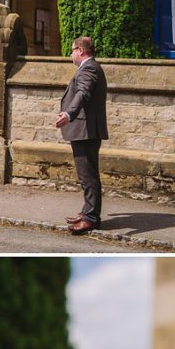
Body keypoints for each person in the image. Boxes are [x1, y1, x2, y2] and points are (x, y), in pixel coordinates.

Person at [55, 36, 108, 235]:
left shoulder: (89, 68)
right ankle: (87, 212)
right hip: (84, 130)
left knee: (88, 176)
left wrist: (69, 114)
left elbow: (83, 93)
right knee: (85, 174)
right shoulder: (89, 68)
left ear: (80, 50)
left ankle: (92, 218)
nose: (70, 55)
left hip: (85, 131)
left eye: (71, 50)